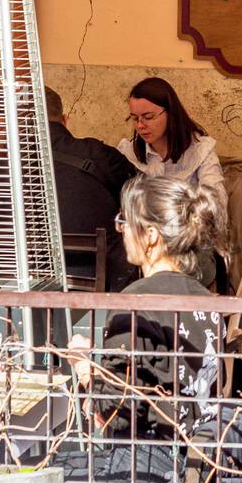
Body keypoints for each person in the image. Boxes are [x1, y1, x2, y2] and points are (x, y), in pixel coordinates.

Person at [70, 174, 227, 439]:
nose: (122, 231)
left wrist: (85, 368)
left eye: (125, 222)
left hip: (145, 465)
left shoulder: (133, 304)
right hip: (196, 457)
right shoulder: (205, 299)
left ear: (151, 236)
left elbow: (117, 414)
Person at [46, 86, 138, 291]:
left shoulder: (5, 168)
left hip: (24, 293)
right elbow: (142, 195)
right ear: (64, 120)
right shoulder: (101, 155)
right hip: (104, 289)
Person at [117, 77, 226, 213]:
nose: (140, 125)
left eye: (149, 117)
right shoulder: (127, 151)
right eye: (134, 118)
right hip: (143, 231)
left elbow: (216, 205)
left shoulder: (201, 149)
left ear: (170, 113)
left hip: (188, 229)